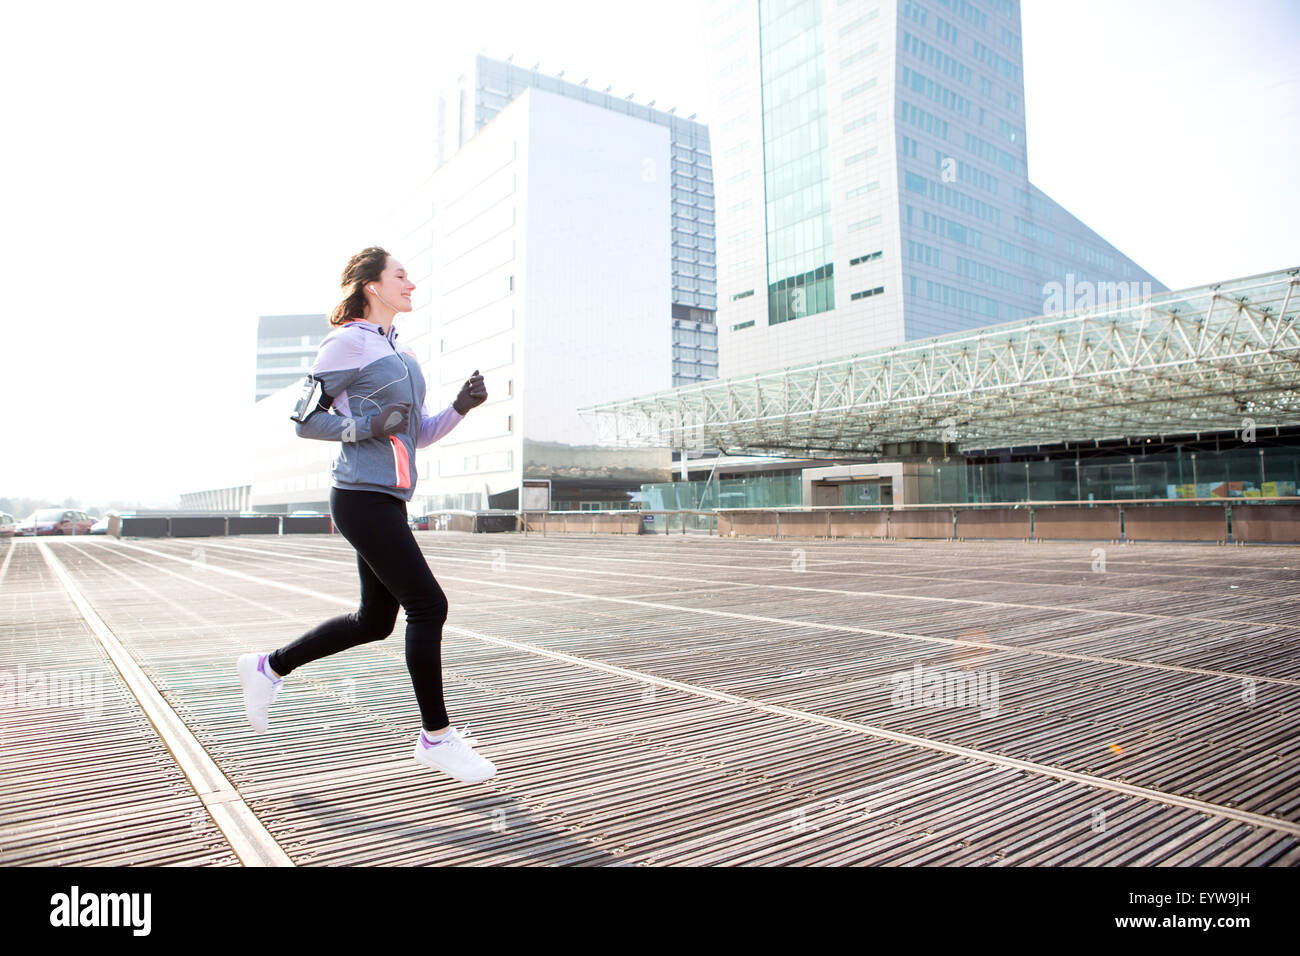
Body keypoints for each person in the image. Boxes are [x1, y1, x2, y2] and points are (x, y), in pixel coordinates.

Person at [237, 246, 496, 784]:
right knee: (428, 605)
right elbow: (305, 420)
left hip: (388, 498)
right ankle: (437, 738)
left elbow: (417, 433)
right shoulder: (346, 343)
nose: (412, 284)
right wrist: (365, 429)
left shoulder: (399, 350)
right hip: (359, 496)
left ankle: (269, 666)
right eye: (401, 276)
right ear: (372, 286)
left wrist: (460, 407)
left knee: (374, 622)